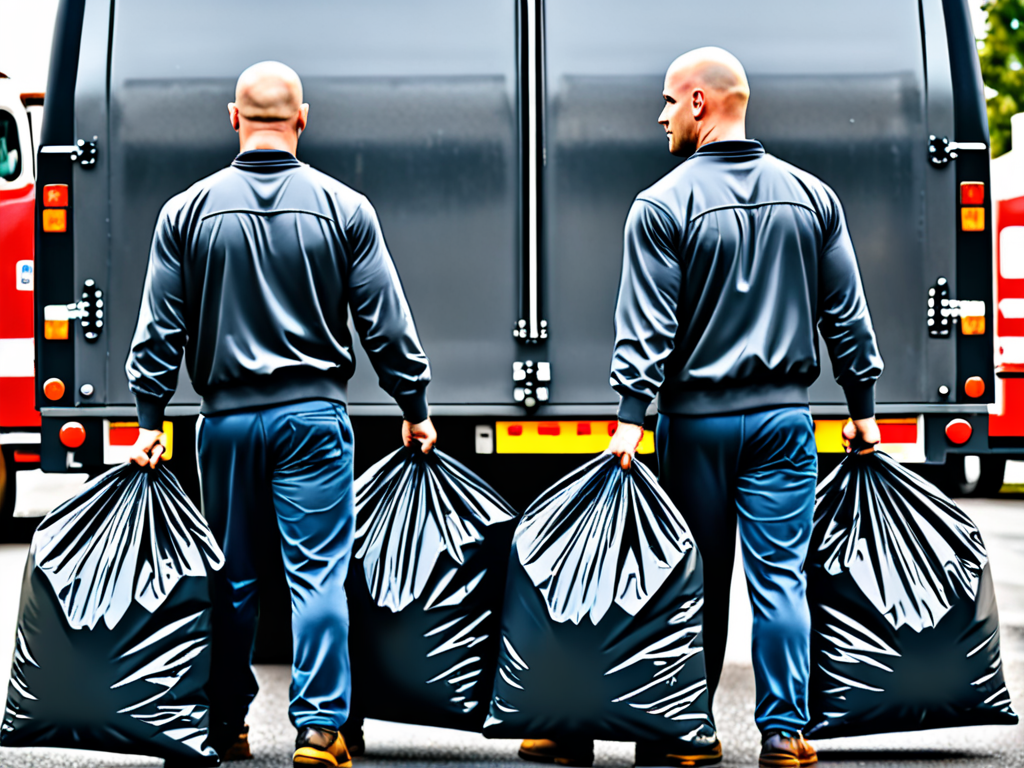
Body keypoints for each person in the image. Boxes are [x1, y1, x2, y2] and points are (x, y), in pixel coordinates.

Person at [520, 48, 883, 768]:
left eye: (666, 100)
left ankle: (686, 735)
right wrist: (863, 406)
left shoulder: (662, 205)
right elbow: (846, 314)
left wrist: (631, 418)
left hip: (697, 424)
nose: (658, 115)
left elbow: (647, 327)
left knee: (697, 582)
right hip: (785, 420)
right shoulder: (814, 198)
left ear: (698, 104)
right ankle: (784, 735)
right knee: (781, 581)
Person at [127, 61, 436, 768]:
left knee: (231, 575)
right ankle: (320, 730)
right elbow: (386, 325)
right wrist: (413, 406)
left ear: (233, 119)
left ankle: (224, 723)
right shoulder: (345, 207)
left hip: (226, 420)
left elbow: (159, 331)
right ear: (303, 118)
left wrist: (149, 419)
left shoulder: (187, 211)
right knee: (317, 574)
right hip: (314, 419)